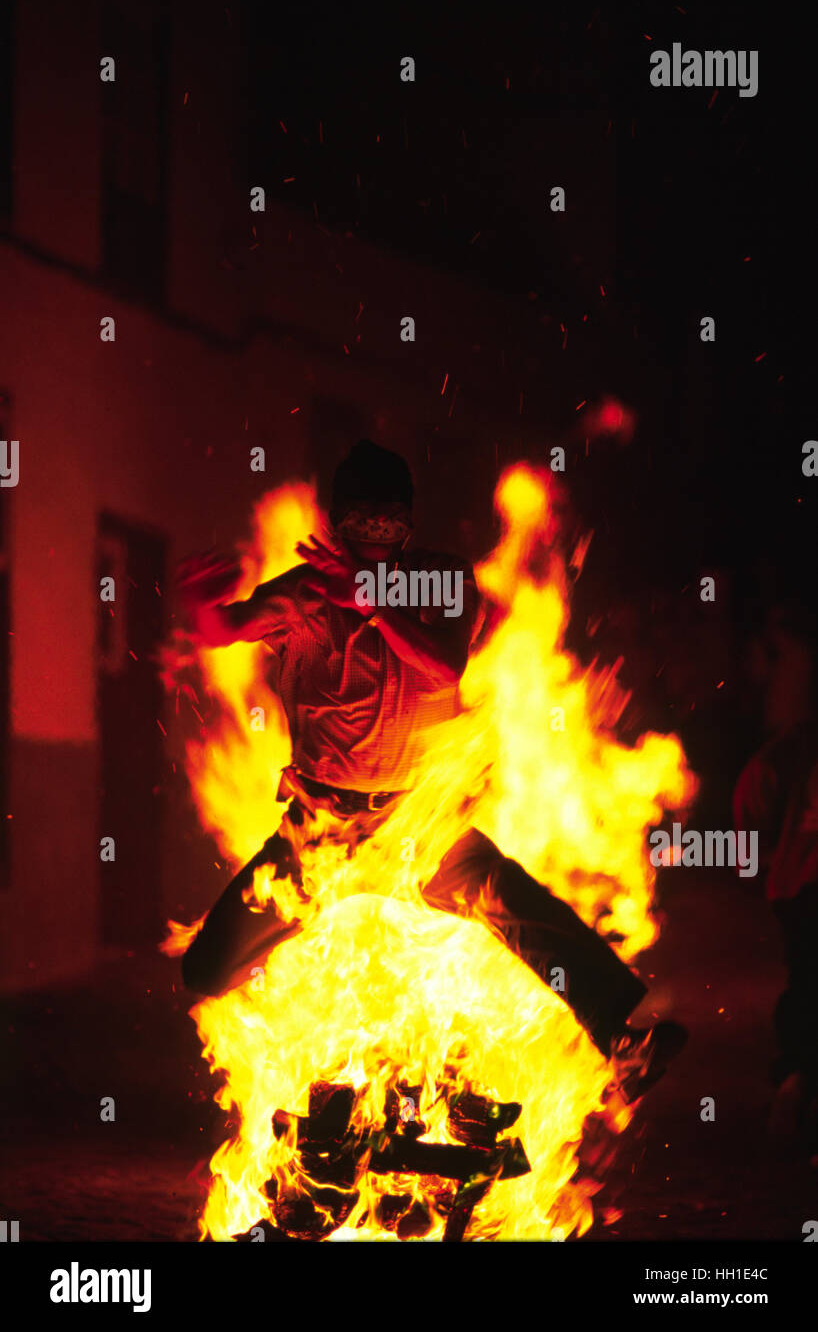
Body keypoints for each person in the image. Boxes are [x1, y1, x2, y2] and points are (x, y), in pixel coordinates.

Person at [177, 440, 686, 1103]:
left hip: (418, 822)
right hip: (321, 828)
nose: (378, 537)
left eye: (390, 523)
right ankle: (291, 1050)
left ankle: (623, 1037)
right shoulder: (309, 590)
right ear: (340, 522)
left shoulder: (440, 580)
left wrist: (368, 602)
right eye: (364, 523)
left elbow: (443, 667)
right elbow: (231, 627)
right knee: (207, 969)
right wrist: (201, 607)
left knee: (518, 907)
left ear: (409, 523)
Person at [733, 605, 818, 1154]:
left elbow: (751, 813)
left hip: (800, 891)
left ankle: (797, 1087)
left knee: (807, 988)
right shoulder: (787, 753)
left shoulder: (786, 752)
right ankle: (797, 1093)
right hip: (801, 889)